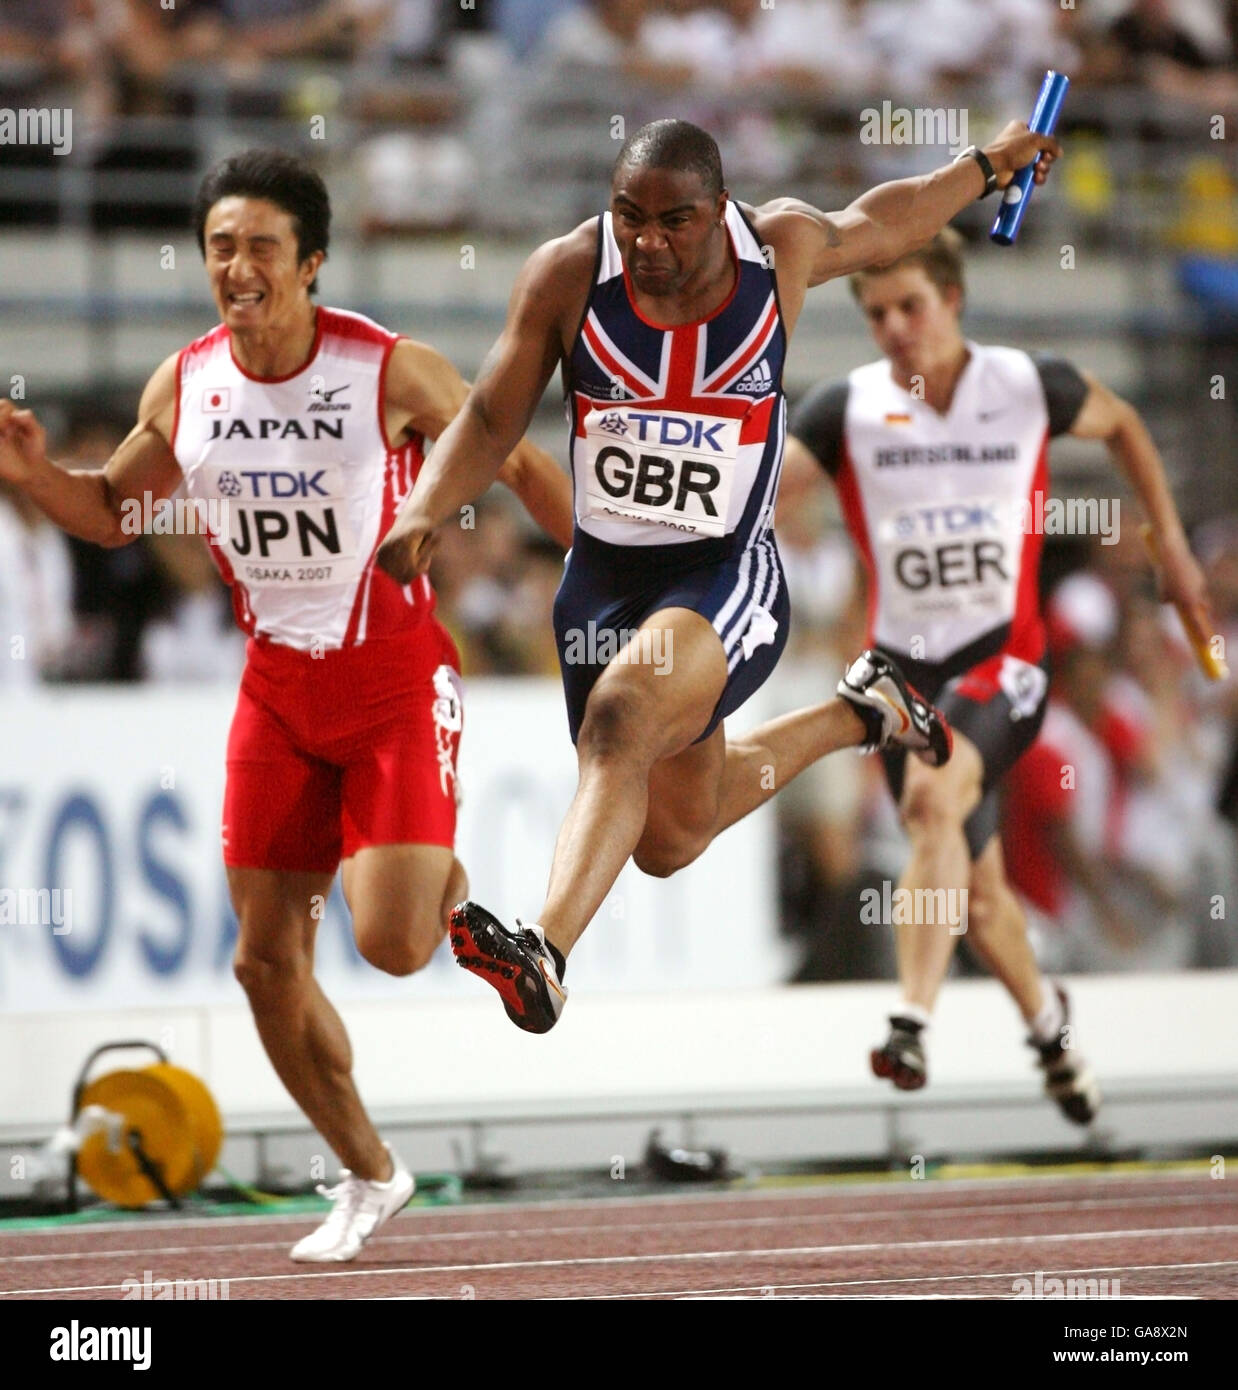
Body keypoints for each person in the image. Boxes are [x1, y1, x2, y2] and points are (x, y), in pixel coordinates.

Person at [0, 149, 574, 1258]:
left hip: (393, 680)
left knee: (393, 943)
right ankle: (368, 1173)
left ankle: (458, 910)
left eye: (261, 245)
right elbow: (115, 512)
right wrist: (32, 478)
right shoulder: (185, 386)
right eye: (220, 246)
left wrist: (606, 571)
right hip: (275, 693)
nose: (237, 266)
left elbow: (506, 456)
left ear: (310, 263)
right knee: (264, 965)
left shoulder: (386, 370)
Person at [377, 117, 1064, 1035]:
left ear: (720, 209)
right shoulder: (568, 274)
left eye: (676, 221)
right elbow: (492, 418)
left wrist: (985, 165)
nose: (649, 242)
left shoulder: (777, 249)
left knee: (621, 720)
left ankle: (544, 951)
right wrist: (424, 509)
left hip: (722, 571)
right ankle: (860, 713)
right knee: (670, 837)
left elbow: (887, 221)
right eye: (631, 216)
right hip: (601, 585)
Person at [783, 227, 1216, 1123]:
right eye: (876, 315)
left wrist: (1170, 547)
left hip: (1003, 656)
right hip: (899, 669)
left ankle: (911, 1020)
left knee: (931, 800)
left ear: (954, 299)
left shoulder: (1025, 385)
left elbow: (1124, 425)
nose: (895, 329)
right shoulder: (845, 408)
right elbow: (759, 494)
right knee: (977, 895)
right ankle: (1052, 1031)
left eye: (911, 307)